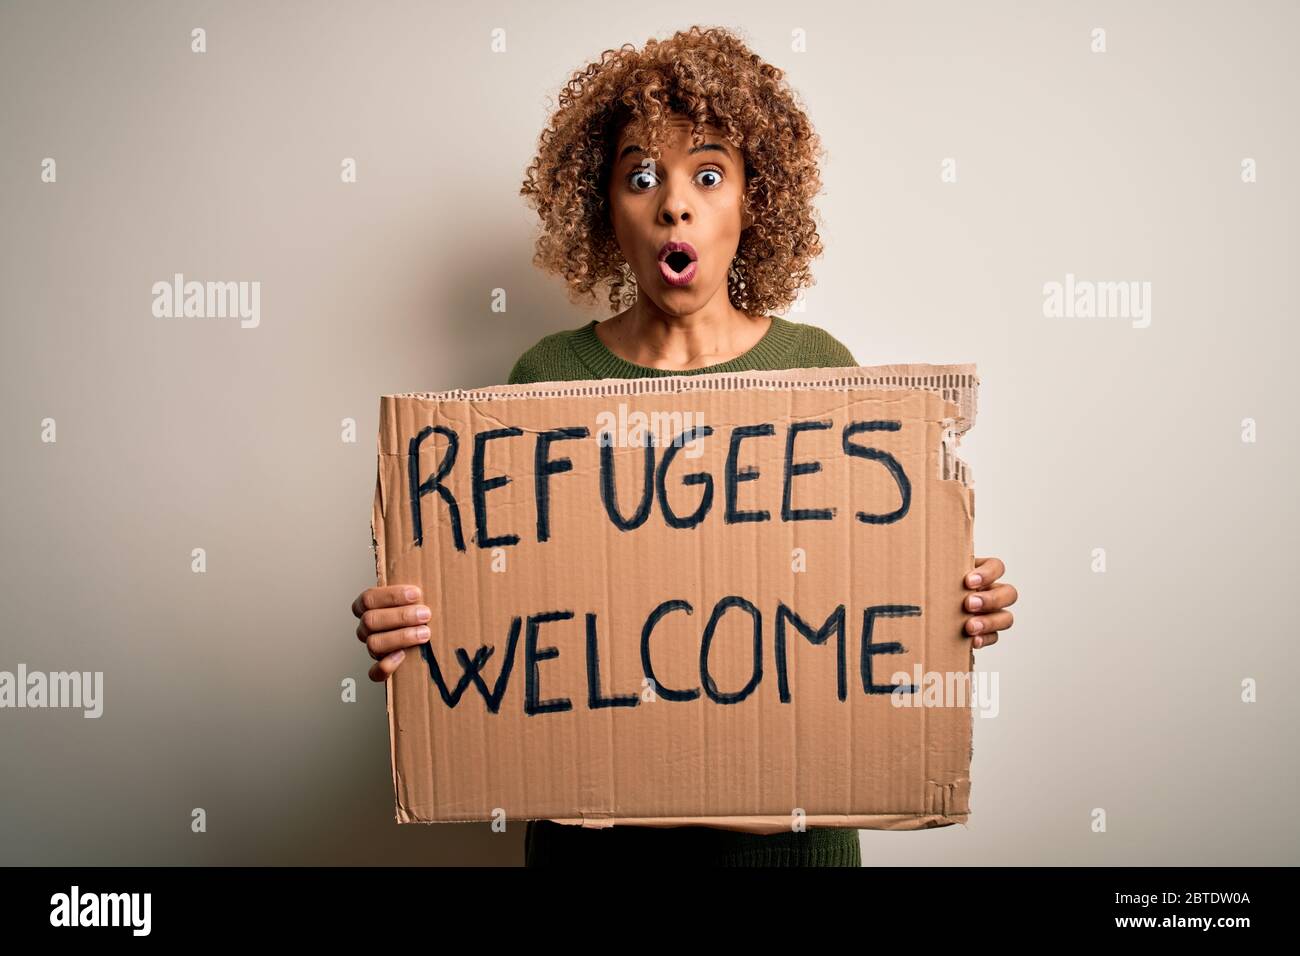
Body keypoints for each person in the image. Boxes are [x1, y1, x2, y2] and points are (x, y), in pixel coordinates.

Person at [351, 25, 1019, 867]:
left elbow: (860, 603)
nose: (675, 202)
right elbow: (503, 613)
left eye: (708, 174)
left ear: (752, 201)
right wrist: (416, 626)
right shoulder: (546, 378)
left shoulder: (821, 371)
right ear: (607, 210)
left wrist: (946, 608)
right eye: (641, 177)